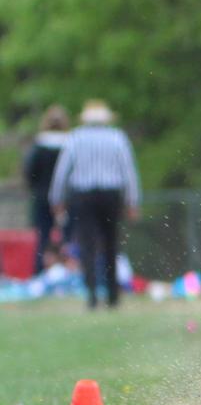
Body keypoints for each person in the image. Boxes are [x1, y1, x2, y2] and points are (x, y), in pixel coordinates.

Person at [48, 100, 140, 310]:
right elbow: (129, 171)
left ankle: (91, 295)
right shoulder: (117, 137)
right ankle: (112, 295)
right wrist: (132, 201)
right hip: (111, 195)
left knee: (87, 245)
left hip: (83, 196)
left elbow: (62, 172)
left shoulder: (76, 138)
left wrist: (57, 199)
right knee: (111, 244)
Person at [23, 105, 72, 275]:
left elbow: (30, 172)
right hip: (67, 199)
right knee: (68, 238)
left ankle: (39, 272)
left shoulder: (38, 145)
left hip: (42, 198)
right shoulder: (69, 143)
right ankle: (69, 271)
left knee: (43, 238)